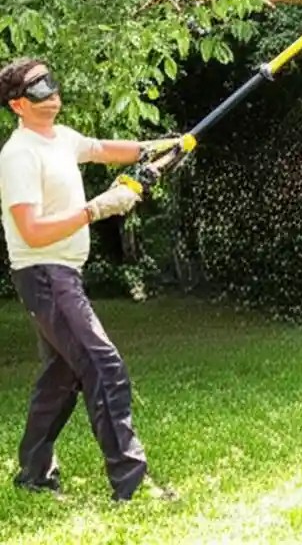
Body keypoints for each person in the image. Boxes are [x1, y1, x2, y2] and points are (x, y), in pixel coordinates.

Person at [0, 56, 176, 502]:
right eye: (39, 89)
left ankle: (34, 473)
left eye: (51, 83)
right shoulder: (18, 155)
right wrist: (98, 208)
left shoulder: (61, 139)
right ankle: (132, 485)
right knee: (103, 364)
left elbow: (99, 149)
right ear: (18, 105)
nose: (52, 93)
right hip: (44, 275)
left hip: (64, 274)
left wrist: (156, 147)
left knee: (61, 375)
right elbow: (32, 231)